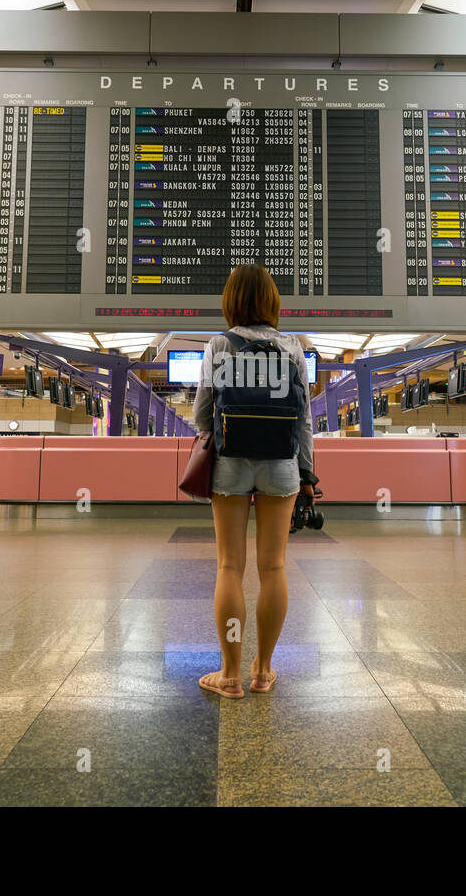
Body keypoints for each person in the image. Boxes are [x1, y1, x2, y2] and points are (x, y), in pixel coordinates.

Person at [192, 264, 315, 698]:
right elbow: (303, 421)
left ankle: (229, 675)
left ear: (231, 301)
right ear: (272, 302)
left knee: (229, 565)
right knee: (274, 566)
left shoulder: (218, 345)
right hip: (281, 463)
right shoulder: (294, 348)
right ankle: (263, 671)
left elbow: (202, 415)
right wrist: (307, 474)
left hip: (230, 463)